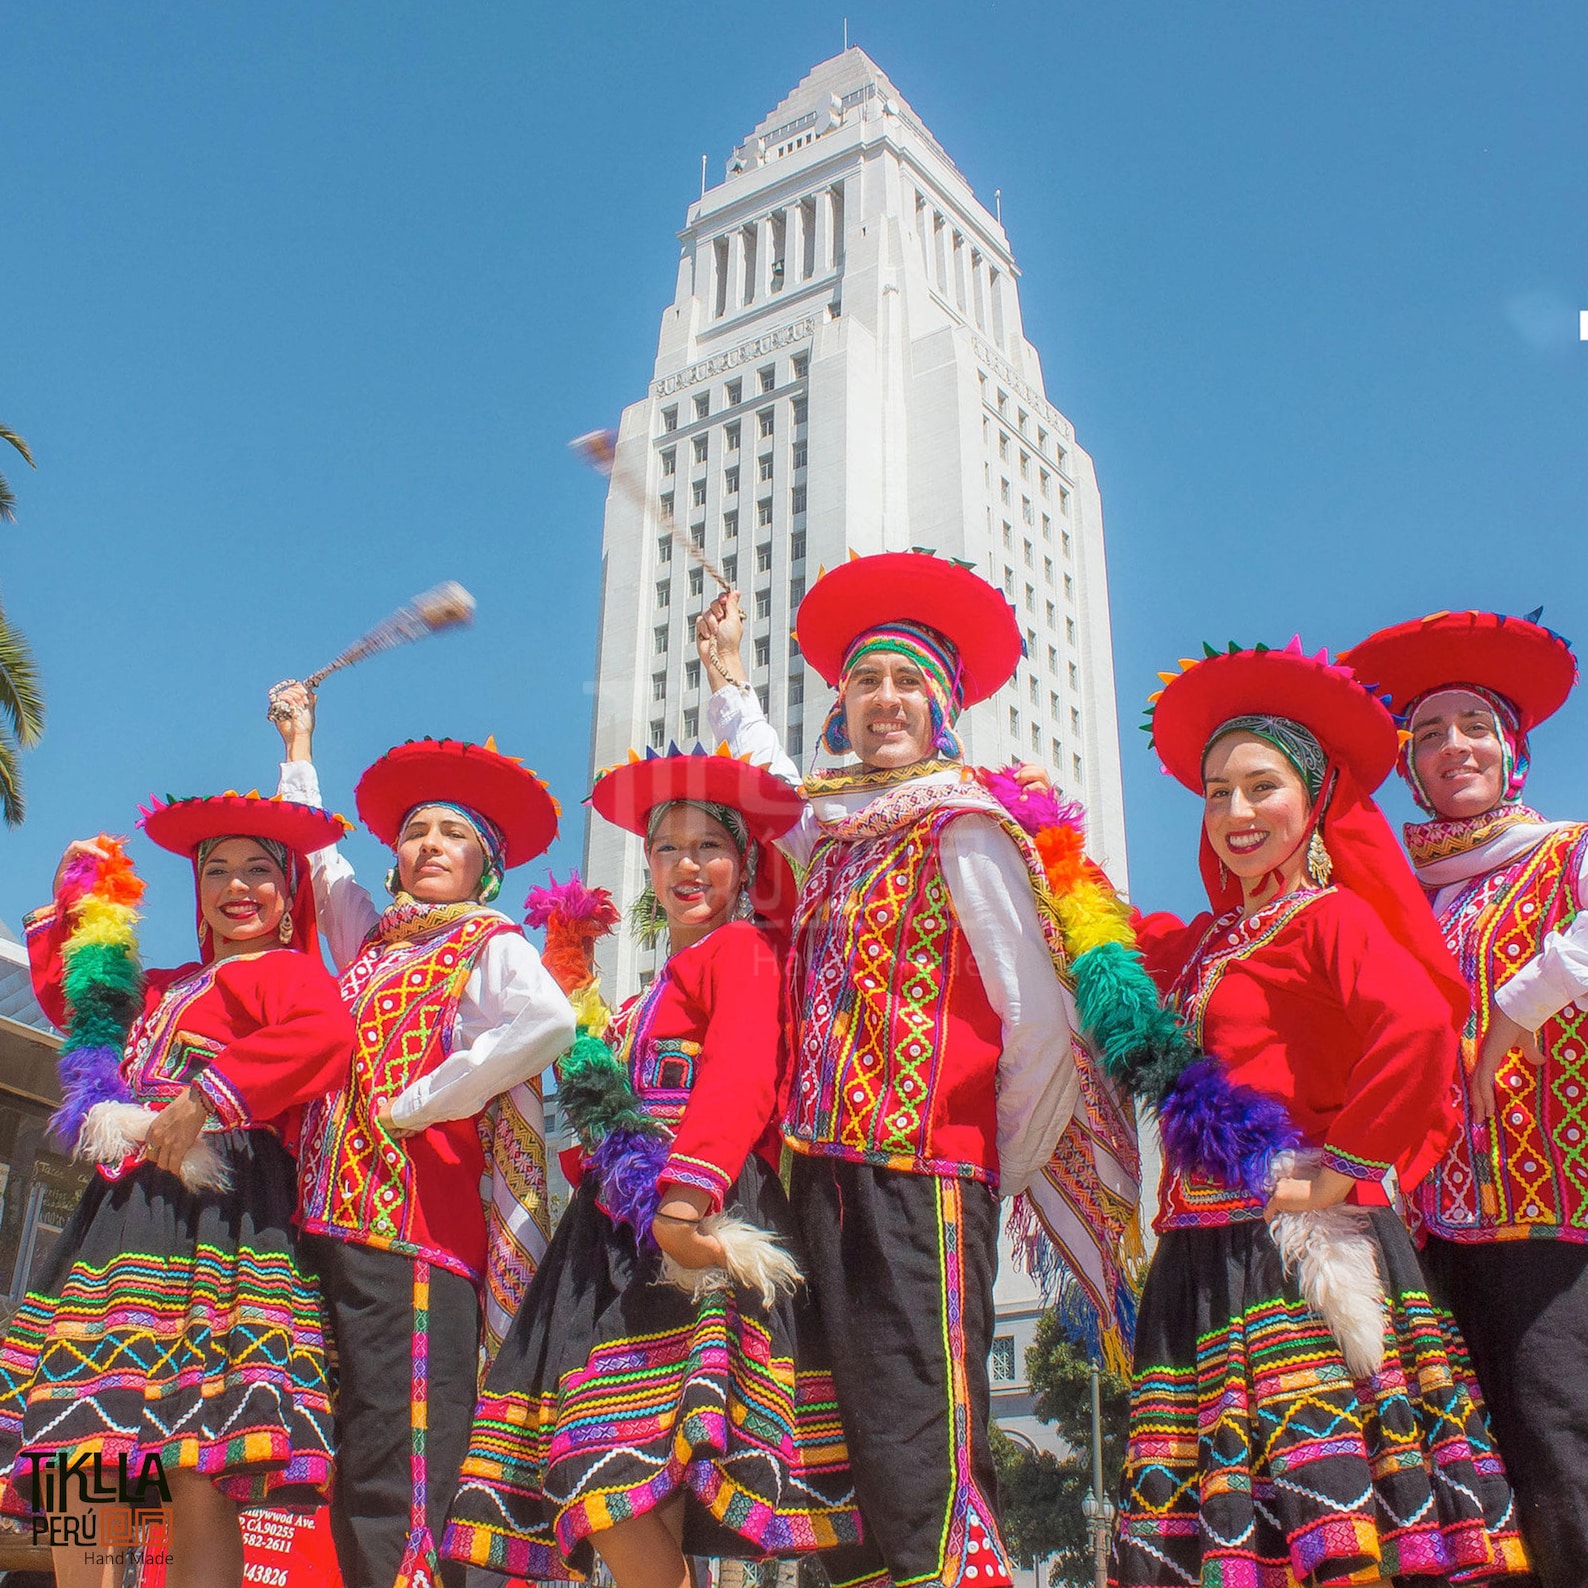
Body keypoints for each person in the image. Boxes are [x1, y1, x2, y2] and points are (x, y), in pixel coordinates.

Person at [696, 552, 1125, 1588]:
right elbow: (774, 783)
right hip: (820, 1176)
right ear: (839, 709)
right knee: (835, 1445)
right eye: (865, 682)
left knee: (919, 1440)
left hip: (924, 1175)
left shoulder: (966, 826)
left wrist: (981, 1153)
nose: (884, 699)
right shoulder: (837, 827)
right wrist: (730, 682)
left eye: (907, 682)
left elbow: (1035, 1022)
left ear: (944, 708)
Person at [1109, 638, 1528, 1587]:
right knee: (1230, 1541)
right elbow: (1109, 949)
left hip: (1299, 1252)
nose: (1237, 813)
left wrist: (1343, 1169)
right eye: (1217, 793)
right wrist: (1044, 842)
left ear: (1315, 801)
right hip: (1198, 1255)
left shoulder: (1330, 917)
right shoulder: (1209, 942)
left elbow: (1419, 1028)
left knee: (1333, 1527)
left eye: (1262, 788)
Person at [445, 744, 883, 1588]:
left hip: (692, 1218)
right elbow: (591, 1138)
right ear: (647, 865)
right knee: (625, 1482)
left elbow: (742, 1077)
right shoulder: (642, 997)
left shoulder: (741, 952)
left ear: (743, 863)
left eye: (709, 847)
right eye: (669, 848)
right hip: (609, 1239)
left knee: (609, 1477)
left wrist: (685, 1200)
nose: (688, 865)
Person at [0, 792, 357, 1588]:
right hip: (121, 1218)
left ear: (289, 890)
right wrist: (76, 902)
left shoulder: (285, 973)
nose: (237, 887)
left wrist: (205, 1098)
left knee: (197, 1460)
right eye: (217, 871)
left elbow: (326, 1038)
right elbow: (84, 1007)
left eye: (259, 871)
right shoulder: (167, 986)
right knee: (82, 1442)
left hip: (219, 1221)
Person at [268, 682, 577, 1588]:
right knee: (338, 1458)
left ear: (486, 865)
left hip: (417, 1245)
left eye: (452, 834)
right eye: (415, 832)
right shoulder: (374, 944)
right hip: (326, 1233)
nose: (430, 844)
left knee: (400, 1475)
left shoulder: (489, 943)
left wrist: (425, 1101)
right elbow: (320, 865)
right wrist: (299, 747)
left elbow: (548, 1022)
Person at [1341, 609, 1588, 1583]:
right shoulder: (1400, 894)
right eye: (1429, 734)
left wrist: (1519, 1009)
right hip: (1425, 1229)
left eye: (1475, 726)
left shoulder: (1565, 850)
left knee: (1558, 1442)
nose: (1454, 747)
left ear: (1512, 749)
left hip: (1551, 1213)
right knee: (1464, 1482)